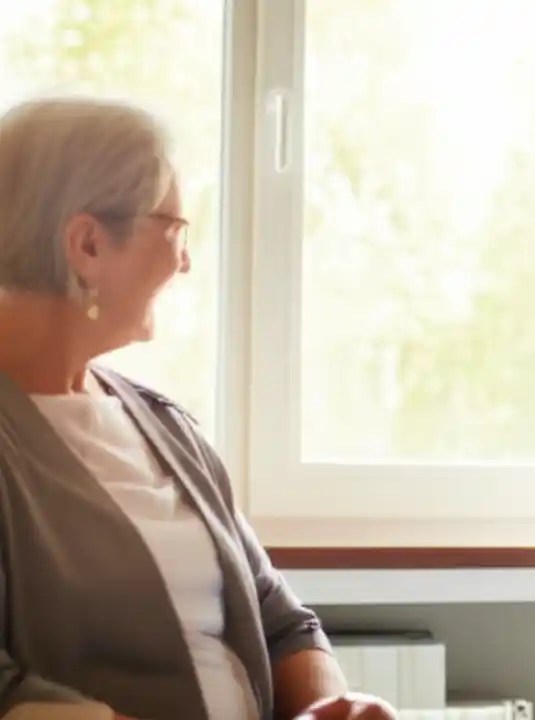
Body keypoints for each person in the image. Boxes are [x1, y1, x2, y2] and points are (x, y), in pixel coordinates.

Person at [0, 97, 395, 719]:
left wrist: (332, 708)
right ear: (88, 244)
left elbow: (282, 620)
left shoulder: (164, 425)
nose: (184, 262)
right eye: (174, 230)